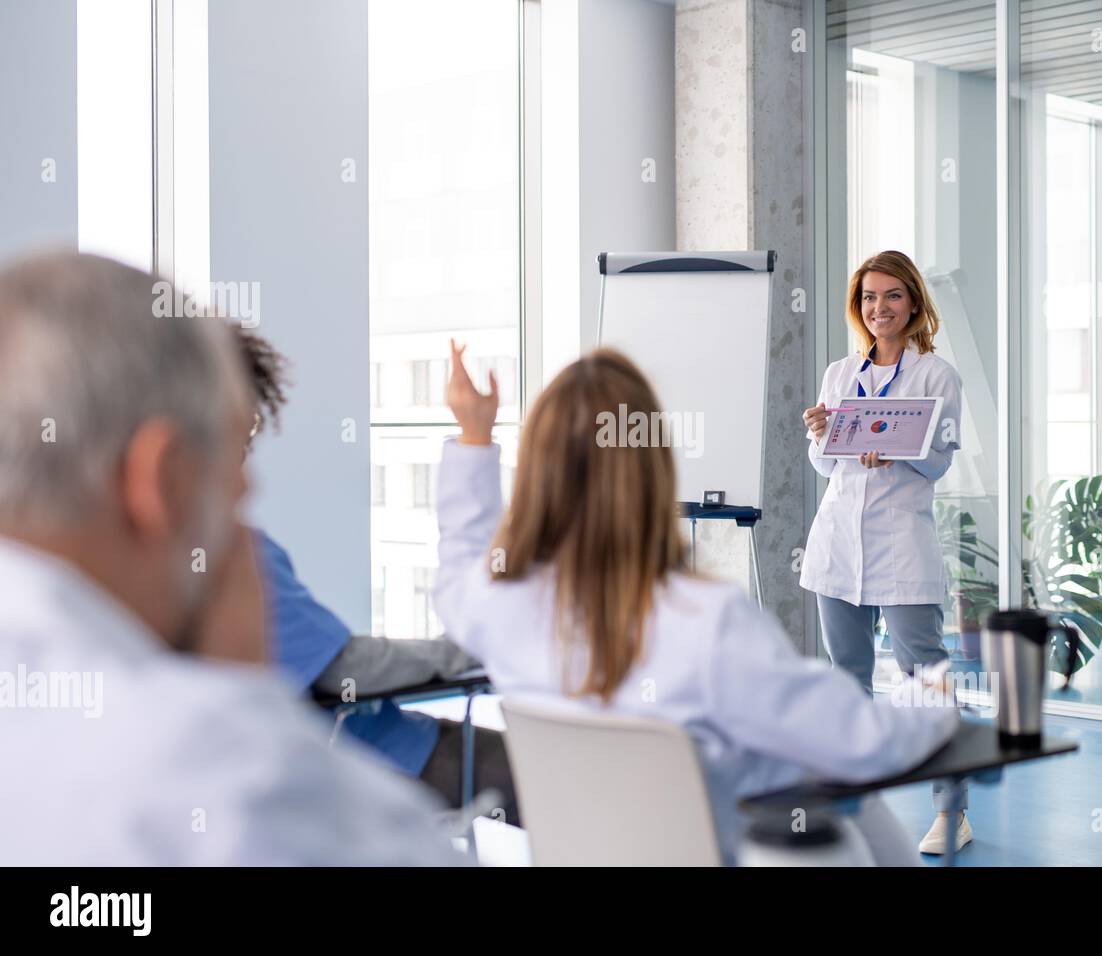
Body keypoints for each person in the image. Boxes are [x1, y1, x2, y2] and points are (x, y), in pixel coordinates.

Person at [0, 251, 459, 864]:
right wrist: (242, 702)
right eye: (230, 459)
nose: (246, 491)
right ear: (158, 479)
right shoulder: (223, 781)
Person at [433, 339, 959, 864]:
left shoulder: (495, 607)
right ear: (653, 468)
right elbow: (861, 742)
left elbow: (460, 560)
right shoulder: (703, 623)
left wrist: (474, 437)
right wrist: (930, 698)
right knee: (848, 806)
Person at [232, 328, 517, 823]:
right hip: (373, 757)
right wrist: (469, 653)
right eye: (243, 427)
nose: (246, 459)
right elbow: (348, 670)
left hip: (308, 768)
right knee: (575, 784)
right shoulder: (231, 552)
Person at [800, 249, 970, 855]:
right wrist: (822, 433)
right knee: (847, 680)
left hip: (901, 543)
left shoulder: (936, 376)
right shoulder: (839, 373)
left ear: (914, 303)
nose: (880, 308)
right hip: (839, 545)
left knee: (926, 679)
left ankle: (952, 812)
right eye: (869, 298)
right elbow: (828, 464)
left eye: (892, 296)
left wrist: (900, 449)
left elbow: (939, 460)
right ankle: (854, 804)